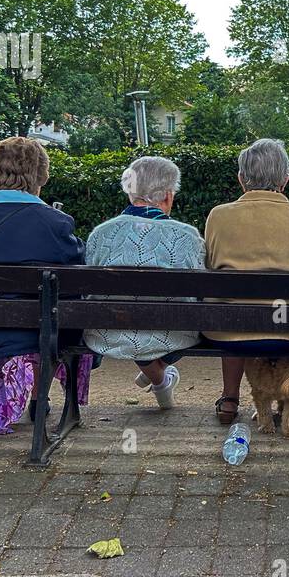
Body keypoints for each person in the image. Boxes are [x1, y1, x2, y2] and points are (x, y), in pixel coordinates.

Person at [0, 137, 92, 436]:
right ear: (42, 176)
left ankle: (11, 403)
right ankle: (40, 396)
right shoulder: (55, 222)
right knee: (53, 315)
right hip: (46, 328)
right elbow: (80, 273)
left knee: (33, 316)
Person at [202, 139, 289, 425]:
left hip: (229, 330)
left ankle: (229, 399)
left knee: (231, 308)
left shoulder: (218, 216)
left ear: (241, 179)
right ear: (286, 179)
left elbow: (209, 266)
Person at [82, 156, 205, 409]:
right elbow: (199, 295)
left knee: (137, 316)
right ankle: (157, 372)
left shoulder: (101, 233)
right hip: (173, 333)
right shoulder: (187, 236)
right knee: (192, 316)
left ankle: (155, 374)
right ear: (168, 196)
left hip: (108, 331)